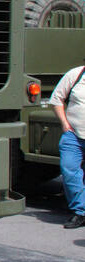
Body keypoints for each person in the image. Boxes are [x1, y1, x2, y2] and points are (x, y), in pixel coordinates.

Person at [50, 59, 85, 228]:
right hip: (74, 135)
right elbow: (56, 99)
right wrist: (65, 124)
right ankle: (80, 212)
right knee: (69, 169)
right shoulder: (76, 74)